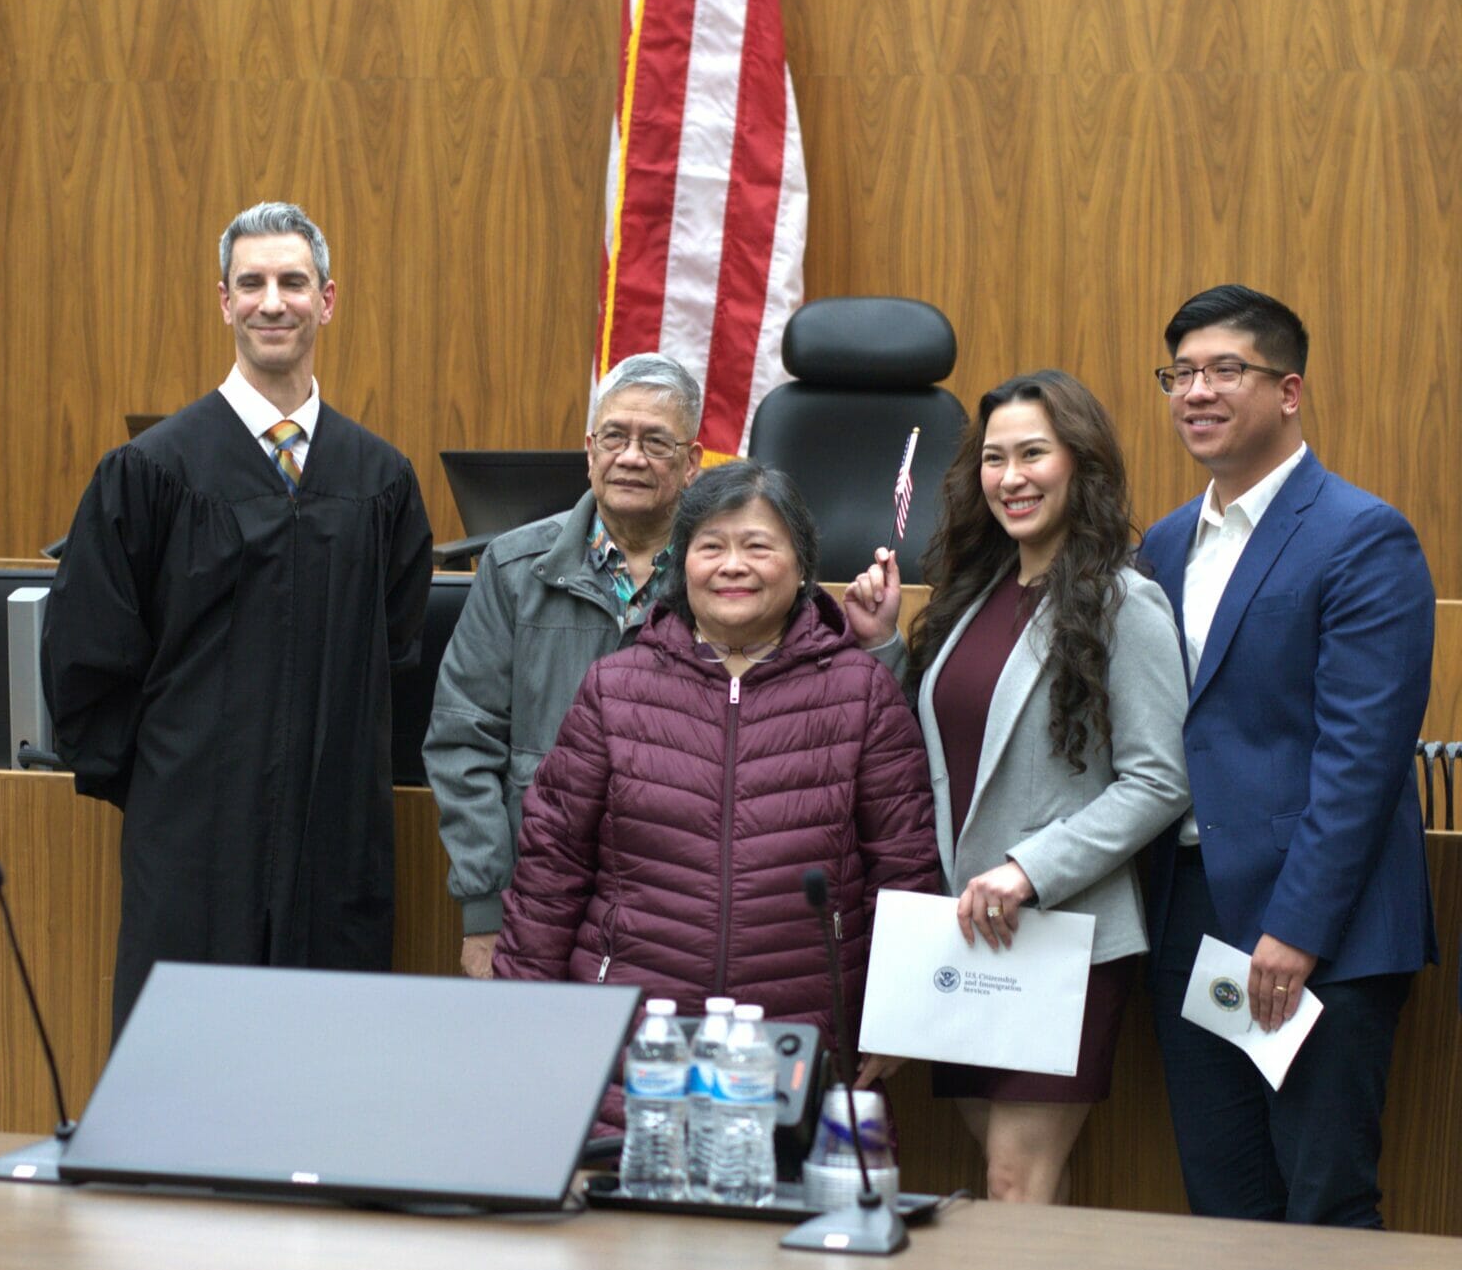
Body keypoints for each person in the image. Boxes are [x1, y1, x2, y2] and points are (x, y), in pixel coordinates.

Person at [42, 205, 429, 1270]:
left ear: (328, 299)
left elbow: (398, 656)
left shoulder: (378, 479)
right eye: (250, 282)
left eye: (293, 281)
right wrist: (181, 797)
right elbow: (86, 674)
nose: (272, 301)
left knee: (317, 1108)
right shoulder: (152, 472)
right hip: (191, 854)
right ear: (221, 301)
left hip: (332, 851)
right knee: (176, 1103)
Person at [492, 459, 939, 1127]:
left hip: (803, 1044)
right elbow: (550, 868)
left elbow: (906, 868)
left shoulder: (861, 693)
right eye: (712, 546)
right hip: (631, 1044)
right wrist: (525, 1011)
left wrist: (897, 1017)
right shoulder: (615, 688)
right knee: (625, 1228)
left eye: (759, 545)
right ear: (683, 564)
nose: (734, 564)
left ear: (801, 564)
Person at [843, 369, 1191, 1204]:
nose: (1012, 476)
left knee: (1012, 1181)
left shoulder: (1125, 602)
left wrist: (1032, 868)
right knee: (1007, 1185)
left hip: (1063, 934)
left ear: (1080, 464)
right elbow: (937, 747)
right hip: (965, 934)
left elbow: (1161, 779)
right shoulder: (976, 594)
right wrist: (884, 645)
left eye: (1034, 452)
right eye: (995, 458)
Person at [1137, 285, 1435, 1227]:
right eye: (1180, 373)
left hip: (1321, 932)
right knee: (1226, 1204)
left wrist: (1297, 929)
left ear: (1289, 389)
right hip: (1196, 916)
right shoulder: (1165, 543)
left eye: (1226, 369)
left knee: (1321, 1206)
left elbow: (1361, 759)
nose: (1197, 391)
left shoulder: (1362, 535)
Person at [424, 351, 701, 979]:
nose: (630, 457)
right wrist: (483, 911)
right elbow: (462, 741)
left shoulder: (721, 577)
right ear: (588, 449)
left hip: (679, 907)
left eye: (656, 441)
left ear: (691, 463)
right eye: (615, 436)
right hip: (534, 896)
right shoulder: (514, 568)